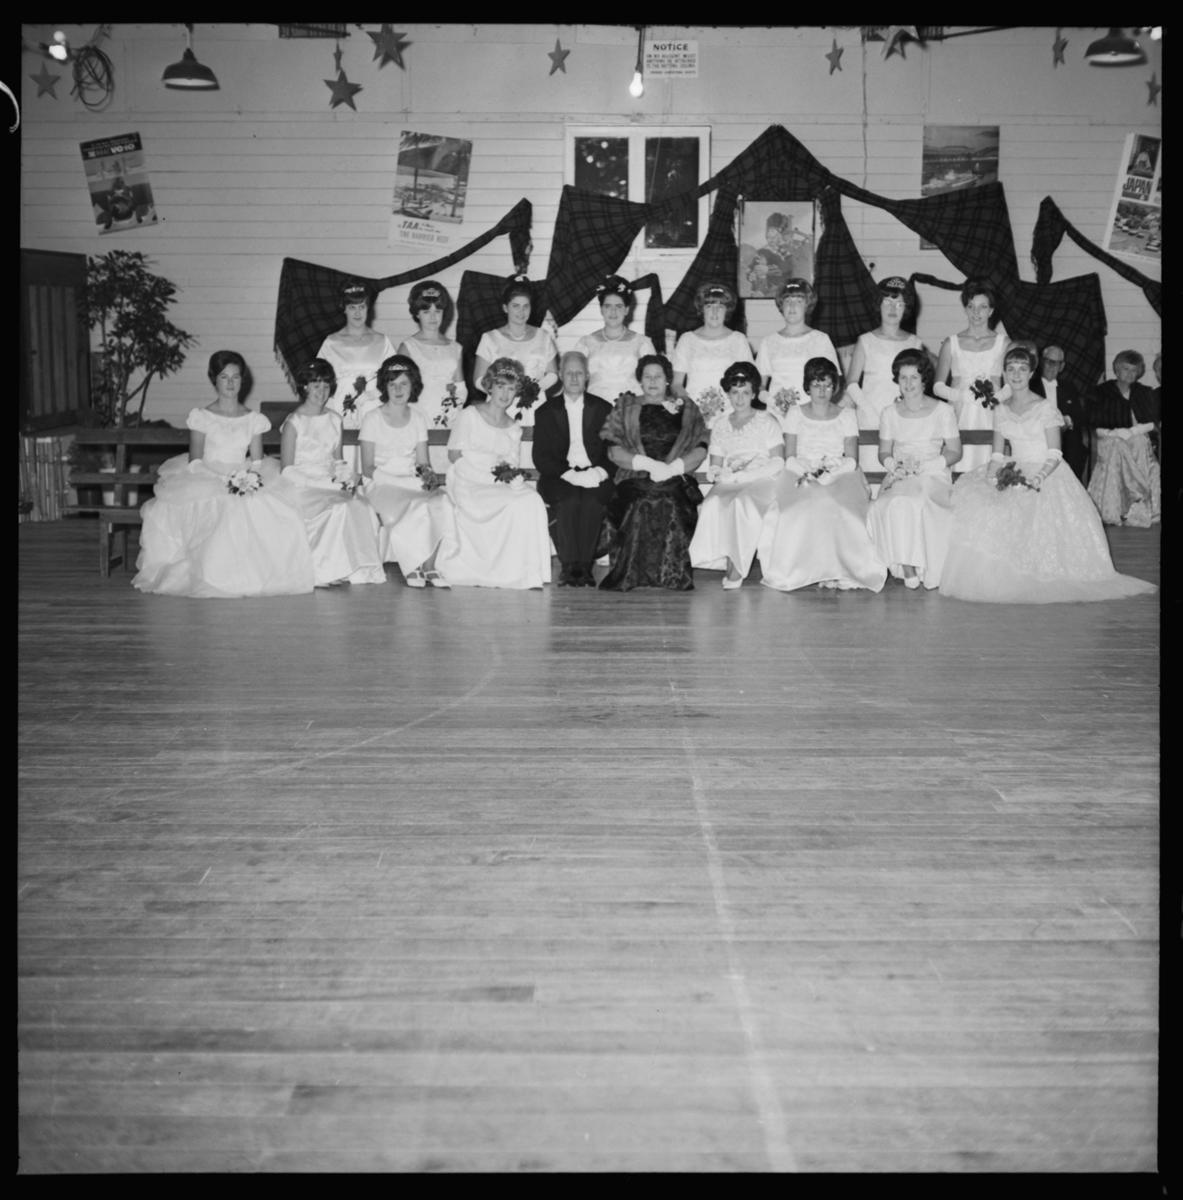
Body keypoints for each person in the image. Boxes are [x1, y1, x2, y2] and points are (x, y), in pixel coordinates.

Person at [940, 346, 1156, 603]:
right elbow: (997, 454)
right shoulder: (1000, 409)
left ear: (1031, 372)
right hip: (1014, 468)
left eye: (1022, 369)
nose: (1016, 375)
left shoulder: (1044, 408)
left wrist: (1037, 478)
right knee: (978, 506)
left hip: (1046, 472)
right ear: (1004, 373)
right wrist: (992, 479)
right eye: (1010, 369)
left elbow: (1054, 453)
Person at [132, 351, 316, 598]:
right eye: (224, 377)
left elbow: (258, 461)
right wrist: (222, 481)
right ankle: (214, 574)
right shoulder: (202, 417)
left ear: (243, 380)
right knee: (222, 509)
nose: (230, 383)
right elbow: (195, 461)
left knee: (274, 509)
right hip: (206, 476)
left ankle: (259, 575)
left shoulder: (253, 419)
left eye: (236, 377)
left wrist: (246, 478)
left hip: (242, 474)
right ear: (214, 380)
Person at [759, 356, 887, 593]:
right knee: (807, 504)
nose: (822, 391)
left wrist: (830, 473)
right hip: (801, 470)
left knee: (835, 504)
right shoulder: (795, 414)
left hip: (840, 472)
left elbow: (851, 459)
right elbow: (789, 456)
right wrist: (808, 472)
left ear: (835, 387)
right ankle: (808, 570)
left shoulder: (847, 415)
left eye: (827, 385)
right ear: (807, 386)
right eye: (817, 384)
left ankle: (842, 569)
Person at [433, 357, 552, 589]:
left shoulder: (513, 427)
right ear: (489, 386)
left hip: (498, 484)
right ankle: (497, 572)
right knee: (512, 502)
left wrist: (511, 478)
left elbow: (511, 463)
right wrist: (483, 472)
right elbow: (455, 456)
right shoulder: (470, 415)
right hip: (468, 483)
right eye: (500, 386)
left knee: (532, 500)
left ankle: (528, 573)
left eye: (511, 388)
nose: (505, 394)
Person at [271, 359, 386, 588]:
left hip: (328, 482)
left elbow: (337, 460)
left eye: (325, 386)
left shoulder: (334, 419)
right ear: (305, 387)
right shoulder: (294, 423)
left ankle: (355, 568)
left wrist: (346, 476)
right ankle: (323, 570)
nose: (321, 392)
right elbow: (287, 470)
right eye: (315, 386)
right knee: (337, 509)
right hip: (303, 485)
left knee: (361, 505)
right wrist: (324, 483)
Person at [599, 354, 710, 591]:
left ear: (667, 380)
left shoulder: (686, 408)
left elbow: (700, 446)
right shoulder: (625, 407)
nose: (652, 381)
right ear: (640, 380)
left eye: (658, 376)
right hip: (634, 475)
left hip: (675, 476)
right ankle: (631, 575)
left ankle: (671, 575)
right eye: (647, 376)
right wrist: (647, 464)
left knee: (669, 498)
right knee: (639, 500)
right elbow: (612, 447)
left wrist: (673, 468)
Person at [866, 348, 962, 590]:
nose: (908, 383)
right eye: (903, 378)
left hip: (933, 473)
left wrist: (928, 465)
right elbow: (884, 451)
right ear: (897, 380)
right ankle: (907, 565)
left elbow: (954, 451)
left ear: (924, 379)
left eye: (914, 377)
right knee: (887, 504)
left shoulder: (943, 410)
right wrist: (893, 466)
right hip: (901, 473)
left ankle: (920, 565)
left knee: (916, 500)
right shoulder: (889, 413)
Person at [359, 354, 456, 588]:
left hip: (411, 481)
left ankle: (429, 566)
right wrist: (407, 484)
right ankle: (412, 566)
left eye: (404, 383)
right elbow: (368, 467)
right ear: (385, 387)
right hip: (382, 484)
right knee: (415, 505)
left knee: (442, 501)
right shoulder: (372, 418)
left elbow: (423, 462)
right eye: (392, 384)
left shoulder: (418, 418)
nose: (398, 389)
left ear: (413, 385)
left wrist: (427, 477)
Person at [689, 361, 784, 589]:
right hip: (731, 478)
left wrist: (743, 477)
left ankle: (737, 565)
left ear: (753, 394)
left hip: (762, 479)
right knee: (713, 501)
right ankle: (719, 558)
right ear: (728, 394)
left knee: (742, 503)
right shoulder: (721, 424)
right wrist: (717, 472)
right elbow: (716, 462)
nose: (739, 398)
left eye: (745, 392)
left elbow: (778, 461)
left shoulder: (766, 420)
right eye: (734, 393)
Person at [532, 351, 616, 587]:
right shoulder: (546, 411)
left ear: (587, 376)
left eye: (579, 373)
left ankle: (585, 567)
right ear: (560, 375)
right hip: (559, 475)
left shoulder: (603, 408)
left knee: (591, 501)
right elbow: (541, 457)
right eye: (569, 373)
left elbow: (612, 450)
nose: (574, 378)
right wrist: (568, 474)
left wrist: (598, 472)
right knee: (568, 499)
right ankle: (570, 567)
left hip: (594, 473)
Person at [843, 276, 927, 474]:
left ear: (906, 308)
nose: (892, 309)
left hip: (904, 416)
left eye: (899, 304)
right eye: (887, 302)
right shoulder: (865, 341)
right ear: (878, 305)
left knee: (901, 472)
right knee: (870, 469)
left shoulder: (915, 343)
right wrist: (871, 413)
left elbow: (919, 384)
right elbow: (852, 383)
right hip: (869, 414)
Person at [934, 279, 1010, 473]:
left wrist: (996, 397)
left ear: (991, 311)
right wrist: (962, 396)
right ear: (966, 309)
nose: (977, 313)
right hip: (960, 412)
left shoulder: (1004, 343)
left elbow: (1011, 384)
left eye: (983, 307)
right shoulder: (951, 343)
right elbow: (938, 386)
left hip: (991, 413)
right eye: (971, 306)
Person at [1086, 349, 1161, 527]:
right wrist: (1115, 433)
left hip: (1137, 438)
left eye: (1134, 370)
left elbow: (1153, 423)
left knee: (1141, 442)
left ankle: (1140, 505)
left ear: (1139, 373)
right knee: (1117, 445)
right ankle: (1117, 508)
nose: (1129, 373)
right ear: (1117, 370)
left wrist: (1133, 431)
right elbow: (1092, 424)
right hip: (1109, 439)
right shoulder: (1100, 392)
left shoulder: (1145, 392)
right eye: (1125, 369)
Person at [473, 275, 559, 426]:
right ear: (505, 307)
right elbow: (479, 380)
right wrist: (504, 391)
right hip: (500, 407)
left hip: (535, 405)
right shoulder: (489, 338)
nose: (521, 311)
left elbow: (553, 374)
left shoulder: (544, 336)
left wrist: (532, 390)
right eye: (516, 306)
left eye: (526, 306)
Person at [316, 281, 398, 440]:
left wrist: (371, 397)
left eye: (362, 307)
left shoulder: (382, 341)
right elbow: (320, 381)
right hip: (340, 409)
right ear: (344, 309)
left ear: (369, 309)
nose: (357, 313)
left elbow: (393, 379)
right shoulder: (331, 342)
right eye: (352, 307)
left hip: (374, 408)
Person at [755, 279, 842, 427]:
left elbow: (835, 384)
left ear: (807, 305)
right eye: (788, 300)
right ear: (781, 305)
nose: (792, 306)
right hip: (777, 418)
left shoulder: (821, 340)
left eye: (799, 301)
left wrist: (817, 404)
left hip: (812, 417)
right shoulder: (768, 342)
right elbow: (758, 385)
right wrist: (774, 402)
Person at [394, 280, 466, 440]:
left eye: (438, 310)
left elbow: (460, 389)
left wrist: (450, 414)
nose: (433, 317)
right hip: (417, 422)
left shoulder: (456, 348)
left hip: (449, 421)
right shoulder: (408, 348)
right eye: (426, 311)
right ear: (417, 313)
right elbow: (400, 392)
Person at [670, 283, 754, 419]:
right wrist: (690, 409)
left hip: (730, 414)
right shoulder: (687, 340)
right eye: (709, 306)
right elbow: (676, 384)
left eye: (720, 307)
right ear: (702, 310)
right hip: (694, 415)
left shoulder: (738, 340)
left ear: (727, 310)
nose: (714, 312)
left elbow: (748, 383)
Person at [573, 276, 656, 404]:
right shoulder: (585, 343)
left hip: (631, 411)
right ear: (601, 309)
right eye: (608, 306)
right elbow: (574, 381)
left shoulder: (642, 343)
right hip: (595, 411)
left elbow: (653, 382)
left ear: (627, 309)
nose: (613, 311)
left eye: (618, 306)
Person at [1028, 344, 1089, 482]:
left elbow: (1080, 417)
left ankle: (1072, 486)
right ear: (1041, 362)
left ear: (1062, 366)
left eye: (1056, 363)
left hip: (1065, 435)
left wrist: (1068, 421)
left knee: (1075, 444)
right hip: (1038, 435)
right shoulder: (1030, 385)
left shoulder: (1069, 387)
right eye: (1048, 361)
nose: (1051, 366)